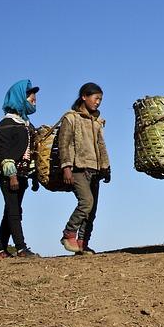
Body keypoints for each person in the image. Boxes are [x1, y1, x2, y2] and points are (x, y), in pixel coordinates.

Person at [57, 82, 111, 255]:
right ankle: (69, 234)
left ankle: (82, 243)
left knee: (92, 210)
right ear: (84, 97)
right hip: (78, 168)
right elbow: (63, 144)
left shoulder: (96, 122)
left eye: (100, 100)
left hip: (95, 170)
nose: (98, 102)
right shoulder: (70, 118)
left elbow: (101, 146)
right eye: (96, 98)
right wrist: (66, 167)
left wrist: (106, 167)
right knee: (86, 202)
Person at [0, 79, 40, 258]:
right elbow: (5, 153)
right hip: (8, 176)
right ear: (19, 97)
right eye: (30, 96)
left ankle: (0, 248)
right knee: (14, 210)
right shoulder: (6, 125)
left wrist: (33, 176)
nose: (34, 99)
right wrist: (12, 175)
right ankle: (21, 248)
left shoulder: (25, 124)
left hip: (21, 175)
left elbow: (31, 152)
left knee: (11, 209)